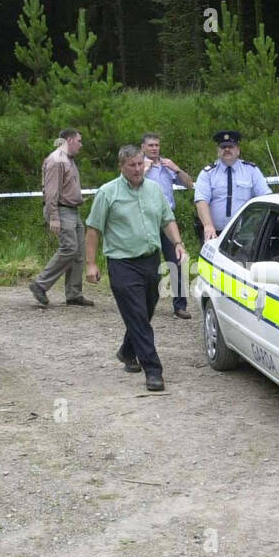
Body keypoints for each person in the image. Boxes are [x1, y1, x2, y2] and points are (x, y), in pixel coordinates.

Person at [85, 144, 186, 392]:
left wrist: (178, 243)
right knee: (138, 315)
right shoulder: (108, 193)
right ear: (122, 166)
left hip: (150, 260)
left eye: (141, 164)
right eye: (132, 165)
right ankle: (153, 370)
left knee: (146, 310)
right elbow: (93, 229)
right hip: (122, 263)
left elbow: (167, 220)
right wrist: (91, 263)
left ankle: (128, 350)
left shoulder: (154, 190)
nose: (138, 169)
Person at [29, 128, 93, 308]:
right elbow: (51, 192)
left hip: (72, 210)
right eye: (79, 141)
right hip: (62, 210)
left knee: (78, 252)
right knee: (70, 248)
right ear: (70, 140)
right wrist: (54, 217)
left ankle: (74, 294)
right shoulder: (57, 160)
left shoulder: (68, 160)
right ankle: (40, 284)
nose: (81, 145)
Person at [141, 131, 195, 319]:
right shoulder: (138, 166)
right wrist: (144, 171)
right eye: (151, 145)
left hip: (167, 219)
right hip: (145, 219)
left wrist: (177, 169)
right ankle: (145, 303)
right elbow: (128, 185)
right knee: (148, 263)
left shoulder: (167, 165)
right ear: (143, 148)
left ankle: (180, 305)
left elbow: (190, 185)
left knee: (177, 260)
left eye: (157, 145)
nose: (155, 148)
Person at [193, 129, 271, 240]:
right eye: (223, 147)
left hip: (243, 234)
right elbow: (201, 201)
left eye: (231, 146)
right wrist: (208, 225)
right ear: (218, 151)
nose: (227, 149)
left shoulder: (251, 171)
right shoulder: (207, 173)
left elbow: (265, 196)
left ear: (238, 150)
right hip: (214, 233)